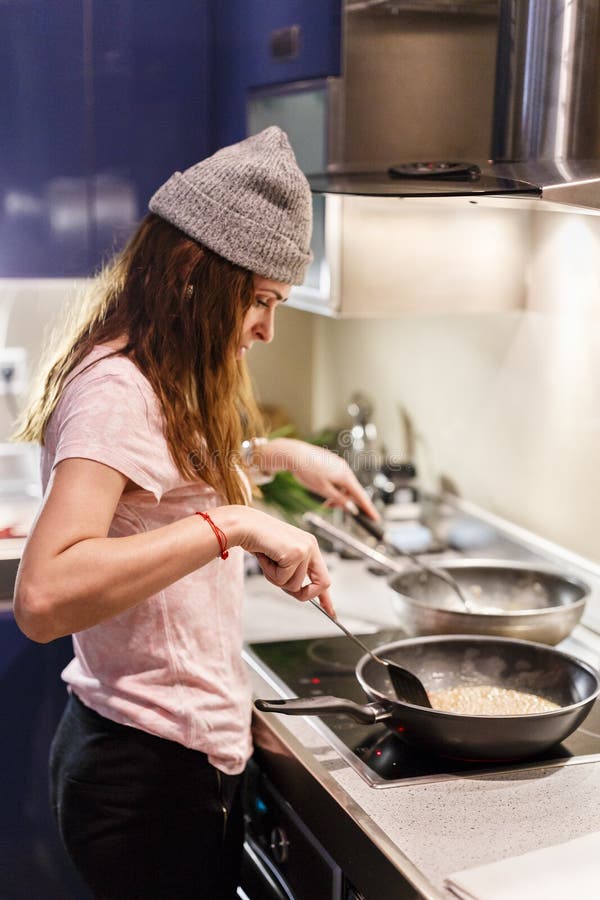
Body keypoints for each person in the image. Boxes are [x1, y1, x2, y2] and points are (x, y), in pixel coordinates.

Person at [13, 127, 378, 900]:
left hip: (159, 763)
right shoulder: (118, 390)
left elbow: (151, 493)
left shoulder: (149, 364)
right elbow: (42, 597)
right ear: (193, 272)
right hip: (144, 779)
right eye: (260, 301)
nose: (267, 330)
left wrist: (278, 456)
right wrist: (234, 526)